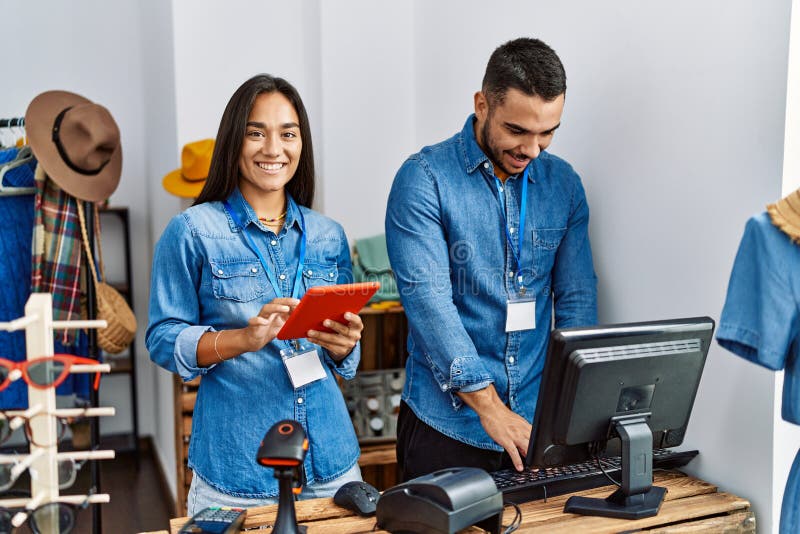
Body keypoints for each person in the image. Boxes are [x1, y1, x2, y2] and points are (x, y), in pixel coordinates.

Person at [147, 74, 364, 513]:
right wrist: (241, 340)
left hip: (331, 462)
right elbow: (163, 338)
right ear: (234, 140)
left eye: (288, 133)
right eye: (256, 133)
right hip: (236, 466)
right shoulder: (193, 231)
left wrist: (346, 347)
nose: (273, 148)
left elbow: (344, 359)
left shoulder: (328, 235)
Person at [386, 37, 598, 480]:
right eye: (517, 131)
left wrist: (572, 413)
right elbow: (429, 305)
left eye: (548, 133)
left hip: (539, 427)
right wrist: (490, 407)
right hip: (448, 428)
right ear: (482, 104)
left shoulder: (564, 185)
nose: (533, 150)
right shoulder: (423, 180)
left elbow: (577, 300)